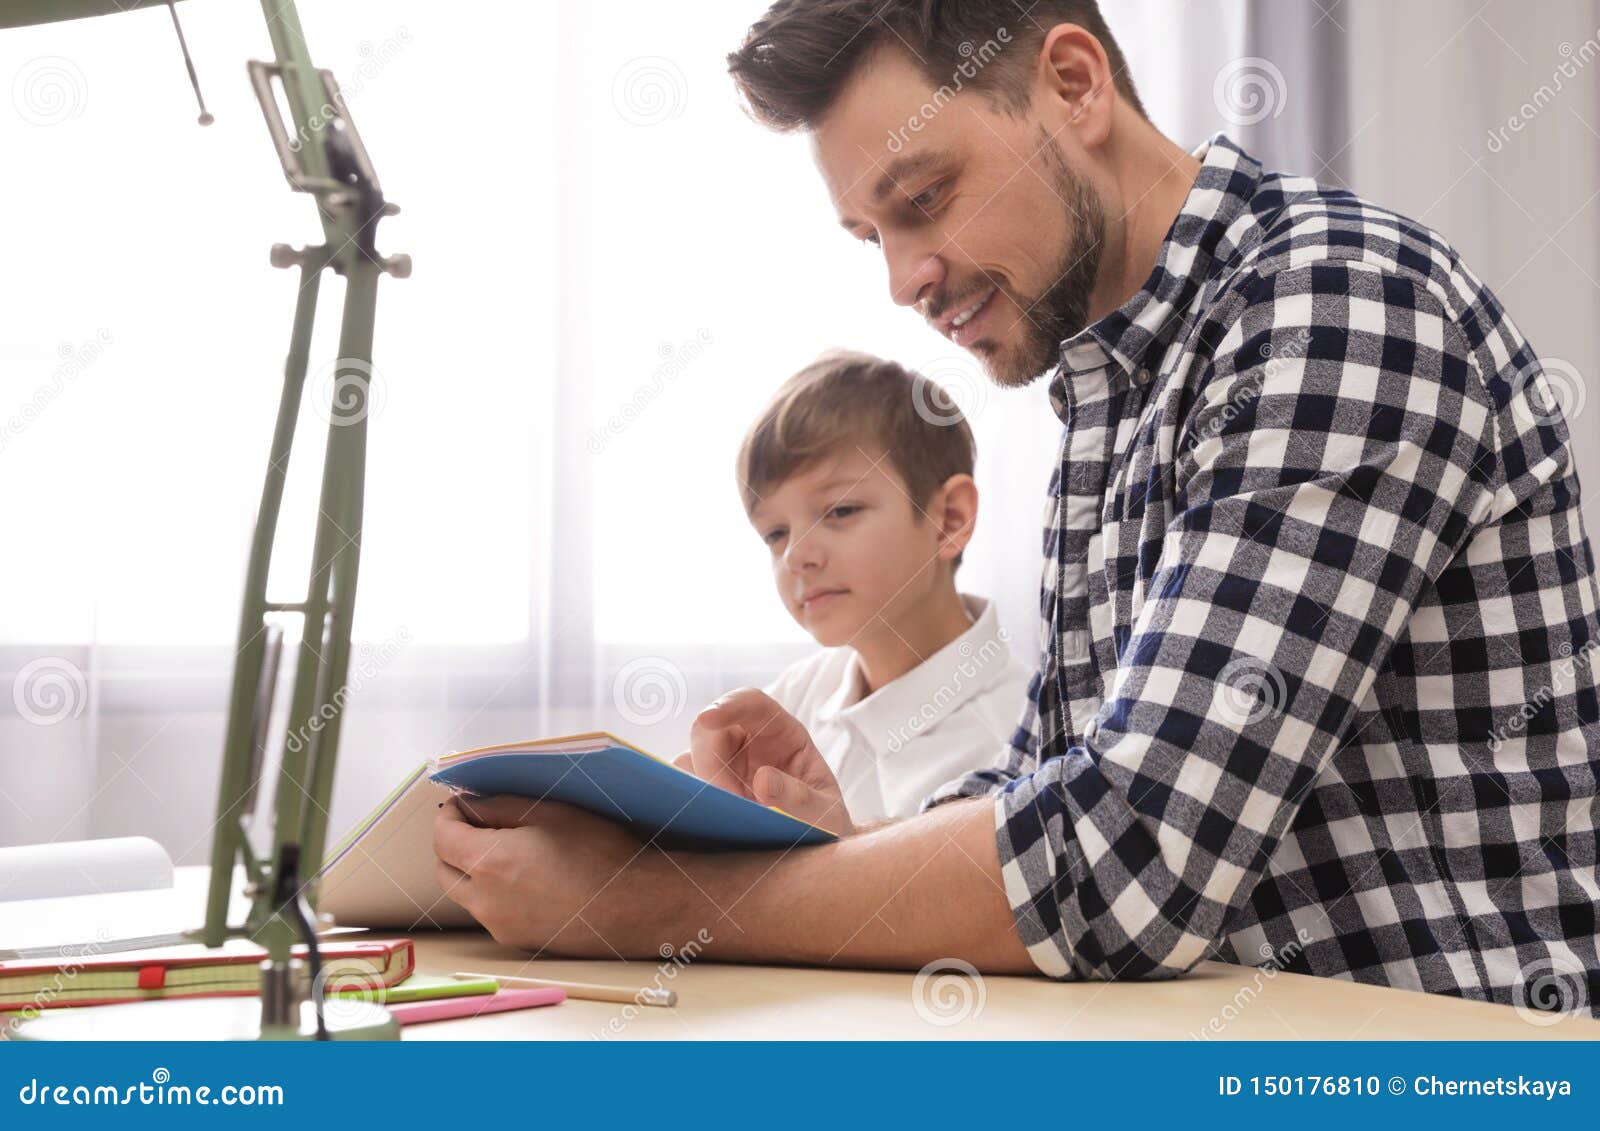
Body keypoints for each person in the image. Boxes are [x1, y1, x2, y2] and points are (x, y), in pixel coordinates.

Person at [435, 1, 1600, 1012]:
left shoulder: (1333, 306)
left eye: (924, 198)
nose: (902, 279)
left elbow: (1127, 859)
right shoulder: (1108, 393)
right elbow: (1059, 774)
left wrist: (641, 900)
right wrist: (848, 844)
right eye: (871, 235)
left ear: (1073, 84)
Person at [710, 349, 1031, 827]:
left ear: (949, 520)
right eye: (775, 533)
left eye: (840, 511)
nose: (797, 556)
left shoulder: (1024, 730)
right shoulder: (795, 699)